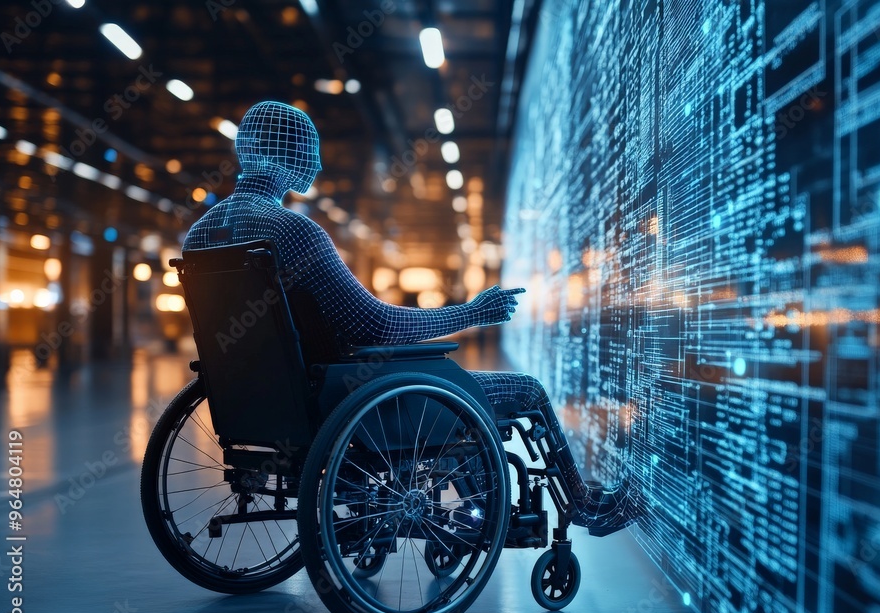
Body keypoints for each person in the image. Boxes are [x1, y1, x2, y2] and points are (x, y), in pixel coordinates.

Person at [183, 101, 635, 530]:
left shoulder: (200, 236)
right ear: (287, 154)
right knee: (526, 390)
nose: (318, 166)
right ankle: (585, 507)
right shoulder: (294, 232)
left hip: (257, 403)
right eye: (309, 152)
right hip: (341, 397)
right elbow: (377, 325)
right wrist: (471, 312)